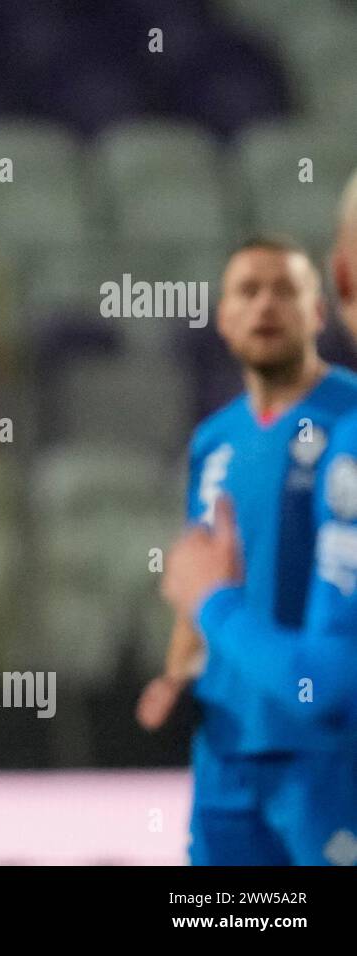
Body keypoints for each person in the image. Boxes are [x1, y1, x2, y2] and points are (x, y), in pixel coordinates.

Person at [164, 177, 357, 865]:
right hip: (228, 740)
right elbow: (202, 569)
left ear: (320, 306)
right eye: (249, 290)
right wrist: (173, 674)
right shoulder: (213, 440)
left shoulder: (349, 415)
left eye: (285, 290)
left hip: (324, 746)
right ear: (221, 316)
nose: (266, 304)